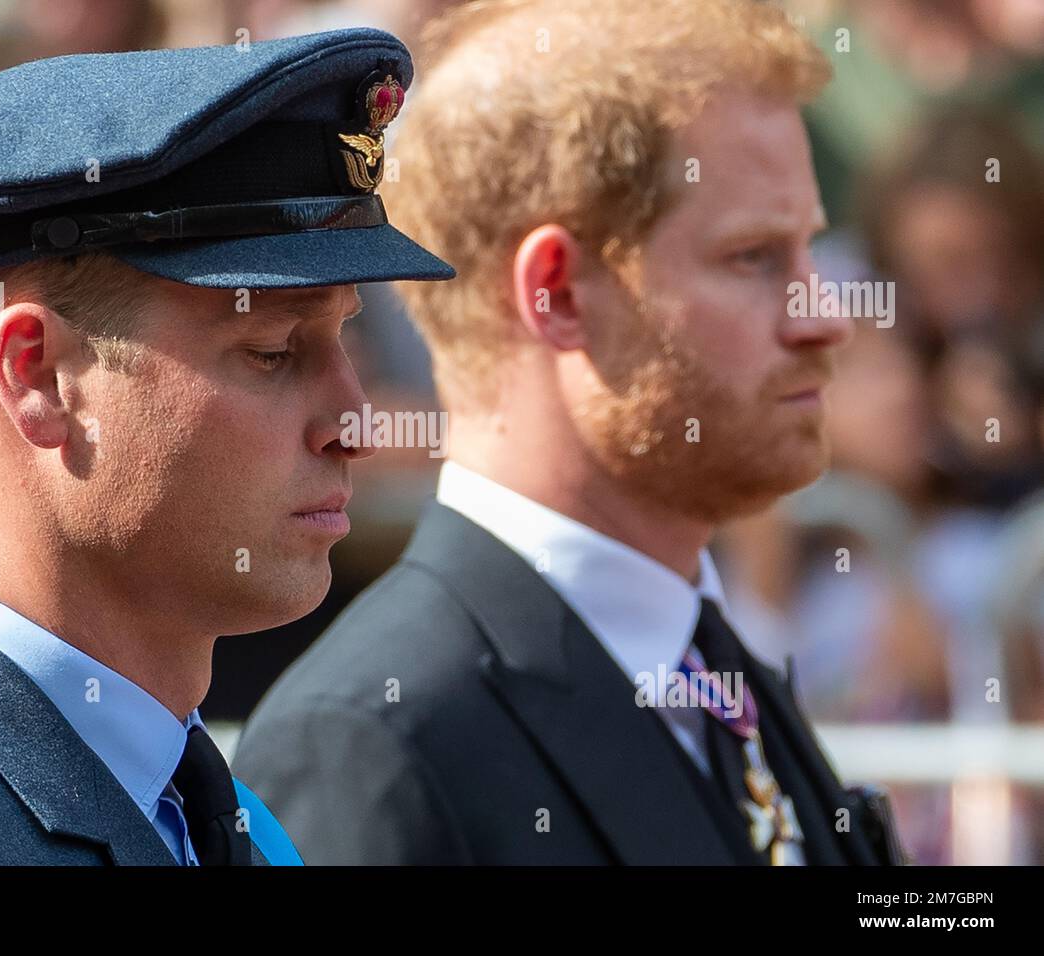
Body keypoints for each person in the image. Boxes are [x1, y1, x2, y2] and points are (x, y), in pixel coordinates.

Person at [0, 26, 453, 866]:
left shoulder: (209, 812)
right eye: (272, 352)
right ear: (37, 379)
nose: (356, 422)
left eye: (346, 342)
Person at [233, 0, 905, 865]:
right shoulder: (374, 745)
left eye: (811, 250)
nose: (826, 319)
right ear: (557, 292)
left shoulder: (716, 674)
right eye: (755, 258)